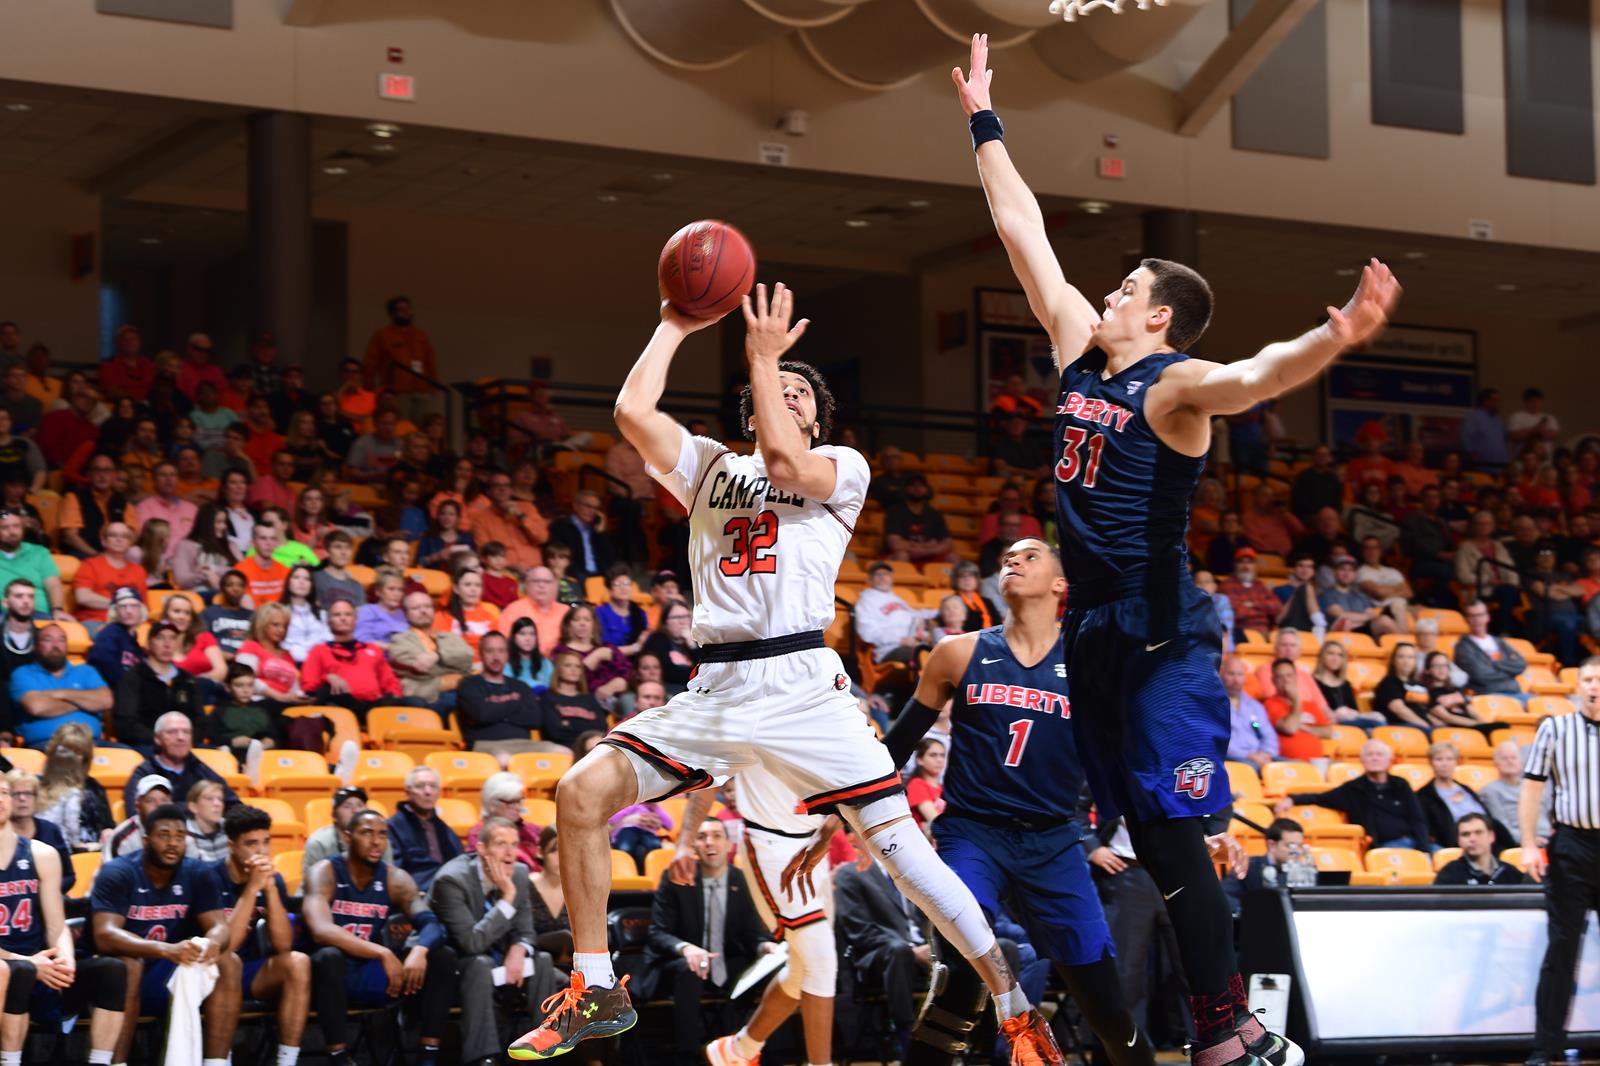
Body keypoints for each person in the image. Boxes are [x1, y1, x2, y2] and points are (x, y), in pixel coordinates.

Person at [959, 33, 1404, 1065]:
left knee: (1172, 831)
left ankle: (1223, 1023)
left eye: (1125, 287)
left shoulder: (1175, 386)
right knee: (1145, 844)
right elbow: (1018, 225)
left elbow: (1258, 373)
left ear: (1156, 315)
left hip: (1166, 636)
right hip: (1097, 633)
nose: (1105, 291)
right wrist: (983, 117)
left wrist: (1335, 338)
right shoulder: (1078, 347)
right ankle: (1205, 1020)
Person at [513, 285, 1060, 1064]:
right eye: (777, 386)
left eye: (801, 391)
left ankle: (1014, 1007)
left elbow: (782, 460)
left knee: (904, 857)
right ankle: (596, 985)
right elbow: (634, 415)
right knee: (580, 792)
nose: (786, 393)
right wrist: (672, 324)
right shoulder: (706, 468)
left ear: (815, 414)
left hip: (802, 686)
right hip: (716, 688)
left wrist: (766, 360)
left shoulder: (840, 466)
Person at [302, 808, 457, 1066]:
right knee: (329, 957)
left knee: (442, 956)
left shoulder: (395, 878)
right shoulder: (325, 872)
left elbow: (431, 923)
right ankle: (339, 1055)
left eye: (382, 835)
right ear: (347, 836)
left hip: (371, 972)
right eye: (367, 833)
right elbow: (321, 930)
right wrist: (381, 952)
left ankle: (427, 1055)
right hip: (330, 975)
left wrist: (419, 950)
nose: (376, 841)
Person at [91, 802, 241, 1066]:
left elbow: (219, 926)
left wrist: (212, 944)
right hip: (115, 975)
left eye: (180, 837)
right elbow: (105, 935)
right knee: (128, 965)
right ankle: (117, 1063)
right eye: (164, 835)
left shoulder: (198, 873)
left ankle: (216, 1063)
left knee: (229, 962)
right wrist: (164, 949)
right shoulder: (118, 872)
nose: (173, 843)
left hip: (169, 969)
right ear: (146, 840)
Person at [642, 817, 774, 1066]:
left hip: (727, 961)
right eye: (701, 837)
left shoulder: (742, 880)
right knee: (690, 970)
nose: (709, 843)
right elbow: (658, 933)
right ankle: (689, 1056)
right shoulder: (675, 878)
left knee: (768, 969)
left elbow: (751, 933)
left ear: (728, 844)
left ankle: (755, 1052)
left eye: (716, 836)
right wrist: (687, 949)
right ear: (693, 846)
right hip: (682, 964)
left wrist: (764, 946)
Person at [430, 815, 554, 1066]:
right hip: (459, 968)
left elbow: (526, 931)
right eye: (500, 844)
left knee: (542, 960)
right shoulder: (451, 880)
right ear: (481, 849)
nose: (510, 853)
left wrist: (518, 950)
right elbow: (471, 943)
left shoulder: (519, 873)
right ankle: (483, 1057)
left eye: (514, 844)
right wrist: (508, 898)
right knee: (480, 963)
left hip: (503, 963)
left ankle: (538, 1051)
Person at [206, 803, 312, 1066]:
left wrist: (271, 891)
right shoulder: (208, 877)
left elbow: (283, 944)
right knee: (229, 962)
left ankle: (286, 1061)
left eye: (266, 842)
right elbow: (224, 946)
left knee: (298, 962)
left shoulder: (271, 879)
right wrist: (252, 889)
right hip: (209, 971)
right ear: (231, 846)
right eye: (251, 844)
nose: (262, 851)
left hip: (249, 971)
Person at [1275, 739, 1429, 849]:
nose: (1375, 758)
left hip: (1415, 841)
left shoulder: (1401, 784)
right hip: (1386, 846)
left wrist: (1424, 848)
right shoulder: (1354, 789)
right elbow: (1320, 798)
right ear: (1362, 759)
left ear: (1389, 760)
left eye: (1379, 754)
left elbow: (1418, 818)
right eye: (1370, 755)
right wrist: (1292, 799)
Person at [9, 623, 111, 747]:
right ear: (36, 646)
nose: (56, 646)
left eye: (61, 640)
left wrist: (58, 694)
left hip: (93, 744)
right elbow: (36, 707)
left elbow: (106, 700)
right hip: (46, 745)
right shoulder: (23, 673)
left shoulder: (86, 671)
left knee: (132, 761)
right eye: (48, 639)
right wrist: (85, 702)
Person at [124, 711, 240, 811]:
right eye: (172, 732)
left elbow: (233, 804)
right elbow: (135, 813)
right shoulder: (144, 772)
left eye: (186, 732)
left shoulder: (200, 768)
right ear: (158, 739)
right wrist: (196, 808)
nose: (181, 737)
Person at [456, 630, 548, 756]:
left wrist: (495, 712)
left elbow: (535, 719)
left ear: (507, 654)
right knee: (504, 758)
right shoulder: (469, 685)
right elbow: (481, 715)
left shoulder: (521, 687)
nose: (496, 657)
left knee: (564, 753)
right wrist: (515, 705)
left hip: (525, 745)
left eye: (501, 651)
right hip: (485, 744)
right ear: (481, 654)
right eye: (490, 651)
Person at [112, 620, 202, 747]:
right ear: (149, 643)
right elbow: (126, 724)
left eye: (172, 638)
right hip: (146, 746)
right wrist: (162, 740)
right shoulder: (132, 678)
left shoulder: (188, 680)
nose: (167, 644)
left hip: (184, 746)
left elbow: (200, 722)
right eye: (160, 638)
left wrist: (182, 740)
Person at [35, 722, 116, 850]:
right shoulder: (36, 785)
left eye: (77, 752)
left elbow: (107, 825)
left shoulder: (93, 787)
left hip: (89, 852)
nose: (70, 758)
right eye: (67, 750)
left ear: (85, 757)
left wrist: (108, 831)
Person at [388, 591, 473, 708]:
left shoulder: (450, 636)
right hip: (429, 697)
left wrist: (438, 656)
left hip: (457, 692)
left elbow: (468, 658)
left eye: (427, 606)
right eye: (416, 608)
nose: (423, 611)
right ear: (406, 614)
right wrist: (452, 675)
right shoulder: (399, 640)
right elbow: (421, 670)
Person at [387, 765, 463, 892]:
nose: (428, 792)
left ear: (439, 793)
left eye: (433, 786)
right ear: (408, 792)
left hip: (448, 892)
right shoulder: (393, 827)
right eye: (420, 786)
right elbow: (394, 871)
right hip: (413, 895)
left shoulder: (444, 829)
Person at [303, 785, 395, 877]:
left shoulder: (380, 842)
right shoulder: (319, 843)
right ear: (334, 815)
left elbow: (388, 879)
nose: (355, 811)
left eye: (360, 805)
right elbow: (311, 884)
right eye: (347, 806)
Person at [854, 561, 934, 664]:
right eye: (878, 574)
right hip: (890, 649)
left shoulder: (897, 599)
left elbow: (914, 615)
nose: (883, 577)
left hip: (913, 643)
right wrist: (900, 639)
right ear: (870, 579)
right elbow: (867, 633)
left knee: (943, 652)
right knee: (924, 656)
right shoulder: (865, 601)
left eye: (886, 574)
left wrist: (942, 611)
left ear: (891, 578)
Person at [470, 470, 549, 572]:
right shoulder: (480, 519)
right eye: (496, 485)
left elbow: (542, 537)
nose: (502, 489)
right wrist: (510, 567)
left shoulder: (527, 508)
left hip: (535, 571)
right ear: (488, 491)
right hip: (504, 573)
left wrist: (521, 516)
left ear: (511, 490)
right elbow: (485, 553)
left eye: (506, 485)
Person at [1454, 600, 1530, 700]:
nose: (1477, 619)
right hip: (1489, 695)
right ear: (1466, 619)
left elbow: (1520, 664)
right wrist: (1509, 671)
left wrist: (1493, 664)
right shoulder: (1463, 647)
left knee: (1541, 705)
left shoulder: (1498, 641)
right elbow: (1481, 675)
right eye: (1472, 616)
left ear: (1487, 617)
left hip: (1514, 692)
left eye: (1480, 615)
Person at [72, 523, 146, 625]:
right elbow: (83, 597)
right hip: (96, 620)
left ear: (130, 543)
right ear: (104, 541)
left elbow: (143, 606)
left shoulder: (139, 571)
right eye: (113, 535)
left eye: (125, 536)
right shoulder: (90, 565)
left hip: (130, 624)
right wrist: (121, 604)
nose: (119, 539)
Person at [1480, 740, 1550, 847]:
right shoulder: (1490, 790)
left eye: (1513, 758)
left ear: (1521, 763)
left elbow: (1549, 814)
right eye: (1504, 758)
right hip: (1521, 843)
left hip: (1549, 837)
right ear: (1496, 764)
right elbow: (1502, 827)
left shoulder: (1533, 787)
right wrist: (1529, 841)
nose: (1510, 761)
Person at [1262, 659, 1333, 761]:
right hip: (1289, 762)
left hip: (1317, 761)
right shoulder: (1270, 704)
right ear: (1273, 681)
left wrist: (1303, 727)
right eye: (1280, 677)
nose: (1286, 680)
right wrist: (1296, 701)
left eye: (1289, 675)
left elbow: (1328, 732)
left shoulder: (1310, 705)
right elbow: (1290, 728)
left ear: (1296, 678)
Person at [0, 512, 67, 618]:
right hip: (3, 613)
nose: (12, 532)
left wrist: (57, 610)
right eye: (5, 528)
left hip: (38, 612)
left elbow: (53, 585)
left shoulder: (39, 552)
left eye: (16, 526)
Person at [1432, 812, 1525, 886]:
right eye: (1466, 834)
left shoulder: (1509, 872)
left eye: (1478, 832)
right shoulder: (1450, 874)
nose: (1472, 839)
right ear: (1458, 841)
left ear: (1491, 836)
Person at [496, 566, 569, 657]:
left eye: (547, 582)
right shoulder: (513, 610)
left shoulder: (566, 612)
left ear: (555, 585)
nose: (541, 586)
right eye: (536, 581)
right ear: (527, 585)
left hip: (559, 664)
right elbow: (504, 644)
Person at [884, 473, 956, 564]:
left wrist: (926, 551)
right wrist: (926, 546)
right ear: (905, 488)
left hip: (929, 555)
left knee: (953, 558)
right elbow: (894, 544)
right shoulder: (895, 512)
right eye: (912, 485)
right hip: (906, 554)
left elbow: (948, 543)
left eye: (921, 485)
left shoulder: (935, 514)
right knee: (902, 555)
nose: (917, 488)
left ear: (927, 489)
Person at [1310, 641, 1384, 730]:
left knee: (1377, 716)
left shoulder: (1346, 683)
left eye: (1340, 655)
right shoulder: (1313, 681)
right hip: (1329, 722)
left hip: (1350, 722)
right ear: (1322, 656)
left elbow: (1354, 710)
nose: (1335, 658)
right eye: (1330, 653)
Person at [547, 490, 616, 581]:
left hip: (598, 578)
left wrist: (601, 533)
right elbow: (558, 555)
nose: (592, 511)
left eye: (595, 508)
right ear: (575, 506)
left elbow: (610, 559)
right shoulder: (561, 526)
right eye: (588, 506)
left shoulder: (596, 529)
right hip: (574, 578)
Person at [1223, 655, 1278, 769]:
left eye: (1240, 674)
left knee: (1297, 767)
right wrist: (1249, 755)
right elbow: (1219, 741)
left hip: (1260, 756)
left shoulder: (1255, 706)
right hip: (1232, 757)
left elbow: (1268, 734)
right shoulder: (1213, 705)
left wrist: (1267, 753)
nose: (1236, 679)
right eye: (1231, 674)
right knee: (1254, 769)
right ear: (1221, 675)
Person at [1220, 549, 1283, 641]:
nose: (1246, 566)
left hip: (1266, 632)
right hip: (1242, 632)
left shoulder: (1260, 586)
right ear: (1235, 565)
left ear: (1255, 566)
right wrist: (1263, 608)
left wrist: (1253, 604)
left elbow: (1278, 608)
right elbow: (1237, 613)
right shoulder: (1227, 586)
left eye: (1250, 562)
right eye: (1242, 562)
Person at [107, 774, 172, 858]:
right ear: (138, 805)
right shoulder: (122, 838)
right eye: (150, 801)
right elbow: (110, 870)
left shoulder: (183, 834)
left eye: (164, 800)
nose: (159, 806)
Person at [1371, 642, 1432, 729]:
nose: (1406, 661)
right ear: (1393, 661)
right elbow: (1398, 709)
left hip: (1421, 726)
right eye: (1401, 657)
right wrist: (1425, 726)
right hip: (1400, 728)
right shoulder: (1389, 683)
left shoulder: (1419, 684)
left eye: (1410, 657)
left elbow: (1426, 711)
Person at [355, 568, 409, 649]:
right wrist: (393, 648)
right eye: (391, 589)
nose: (396, 594)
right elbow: (362, 639)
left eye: (400, 590)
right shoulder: (368, 611)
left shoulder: (402, 614)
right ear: (378, 592)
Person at [184, 778, 229, 862]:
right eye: (209, 798)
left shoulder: (231, 829)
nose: (217, 804)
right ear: (193, 807)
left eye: (220, 799)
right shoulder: (185, 837)